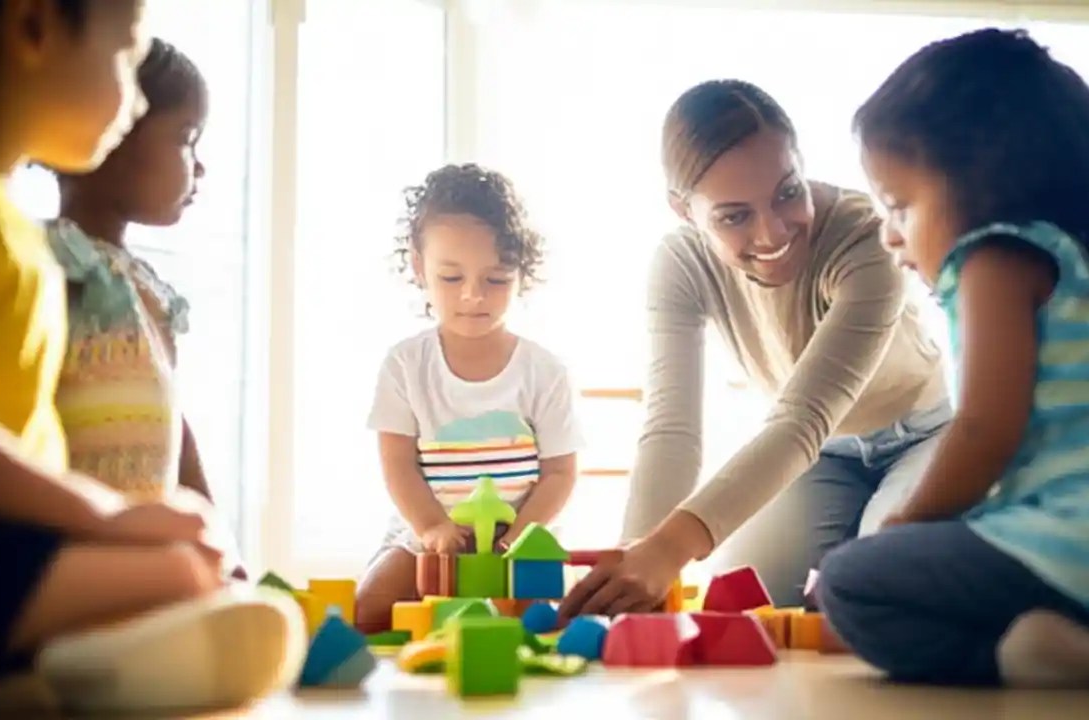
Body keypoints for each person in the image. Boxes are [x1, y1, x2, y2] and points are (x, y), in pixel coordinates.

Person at [814, 27, 1089, 688]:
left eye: (900, 205)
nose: (891, 236)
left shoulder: (993, 260)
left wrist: (899, 527)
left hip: (1087, 556)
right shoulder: (1077, 264)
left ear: (981, 177)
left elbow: (983, 432)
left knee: (850, 580)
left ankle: (1019, 659)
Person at [0, 1, 296, 713]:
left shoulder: (5, 227)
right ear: (34, 28)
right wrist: (101, 516)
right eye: (123, 60)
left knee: (186, 566)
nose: (132, 97)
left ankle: (39, 675)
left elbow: (170, 419)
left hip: (15, 544)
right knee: (173, 575)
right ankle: (55, 676)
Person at [560, 79, 951, 617]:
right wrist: (634, 560)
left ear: (800, 162)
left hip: (921, 438)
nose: (771, 233)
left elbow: (801, 418)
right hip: (819, 459)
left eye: (787, 192)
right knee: (735, 604)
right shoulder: (680, 265)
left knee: (880, 578)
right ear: (684, 211)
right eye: (734, 215)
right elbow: (672, 429)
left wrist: (670, 549)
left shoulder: (867, 240)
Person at [45, 36, 245, 577]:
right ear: (111, 132)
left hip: (143, 553)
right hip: (65, 550)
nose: (198, 168)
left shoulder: (147, 289)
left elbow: (175, 430)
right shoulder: (48, 265)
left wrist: (224, 548)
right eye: (186, 139)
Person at [355, 164, 582, 632]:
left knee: (545, 619)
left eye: (496, 279)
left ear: (520, 271)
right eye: (452, 278)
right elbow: (397, 463)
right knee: (371, 603)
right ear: (420, 268)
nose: (474, 296)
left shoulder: (543, 371)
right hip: (430, 534)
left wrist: (521, 536)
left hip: (520, 539)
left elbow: (560, 471)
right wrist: (432, 527)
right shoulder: (405, 364)